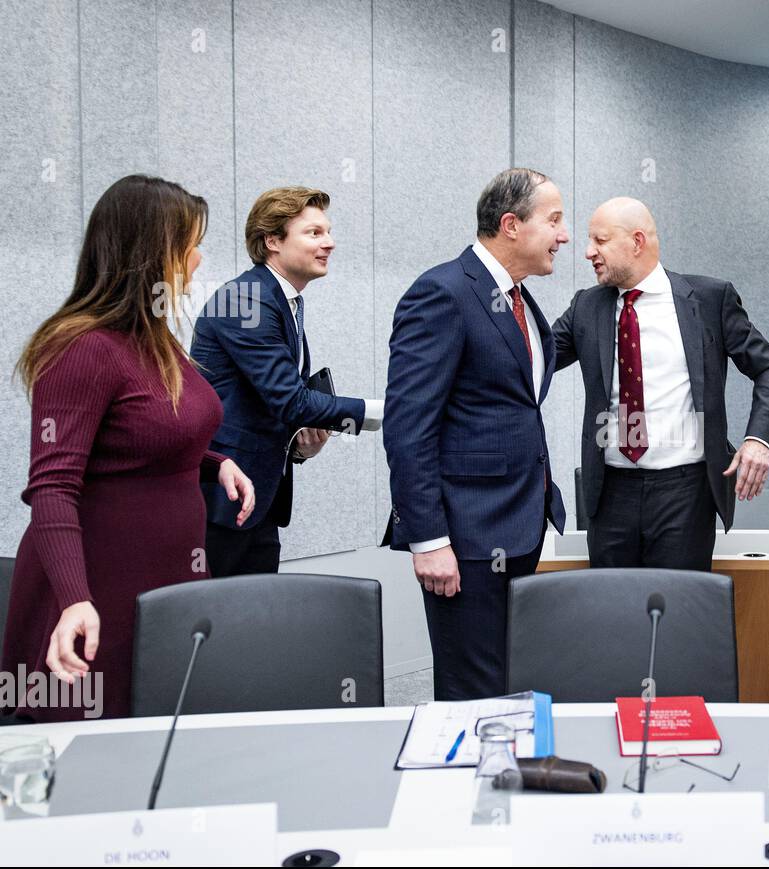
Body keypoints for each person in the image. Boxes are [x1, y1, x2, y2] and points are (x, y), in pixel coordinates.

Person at [1, 175, 254, 722]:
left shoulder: (151, 338)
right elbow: (51, 486)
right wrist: (73, 598)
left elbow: (146, 438)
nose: (198, 259)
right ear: (150, 253)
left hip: (167, 573)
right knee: (86, 754)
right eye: (189, 245)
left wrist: (214, 464)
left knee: (160, 731)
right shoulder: (82, 348)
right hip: (99, 584)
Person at [383, 168, 568, 701]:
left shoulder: (521, 301)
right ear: (511, 225)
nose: (564, 235)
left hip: (522, 526)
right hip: (463, 539)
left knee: (514, 683)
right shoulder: (441, 293)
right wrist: (429, 539)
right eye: (554, 220)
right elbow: (408, 427)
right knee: (472, 692)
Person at [551, 197, 769, 570]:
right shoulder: (586, 307)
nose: (587, 252)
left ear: (637, 241)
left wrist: (759, 440)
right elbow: (533, 361)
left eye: (600, 240)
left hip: (685, 494)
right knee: (613, 616)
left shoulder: (709, 299)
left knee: (678, 615)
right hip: (611, 496)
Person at [190, 187, 383, 577]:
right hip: (222, 505)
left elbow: (264, 405)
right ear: (272, 241)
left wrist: (297, 446)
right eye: (313, 233)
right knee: (223, 629)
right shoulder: (246, 299)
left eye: (328, 232)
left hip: (258, 501)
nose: (329, 243)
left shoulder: (283, 299)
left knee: (259, 630)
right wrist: (384, 411)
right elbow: (290, 400)